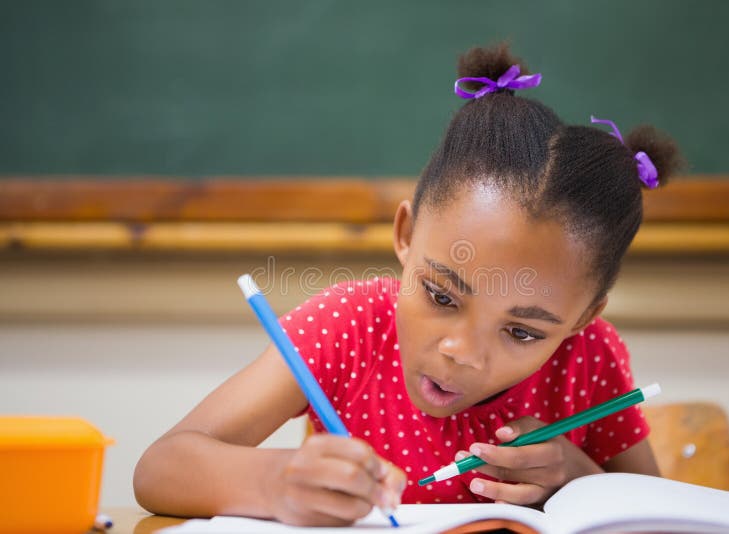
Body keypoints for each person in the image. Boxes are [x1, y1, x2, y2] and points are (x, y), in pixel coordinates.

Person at [133, 43, 683, 527]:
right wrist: (275, 481)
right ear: (406, 235)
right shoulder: (349, 326)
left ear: (583, 317)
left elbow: (657, 514)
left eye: (520, 332)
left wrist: (577, 475)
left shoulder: (590, 357)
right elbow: (160, 469)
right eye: (442, 296)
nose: (461, 352)